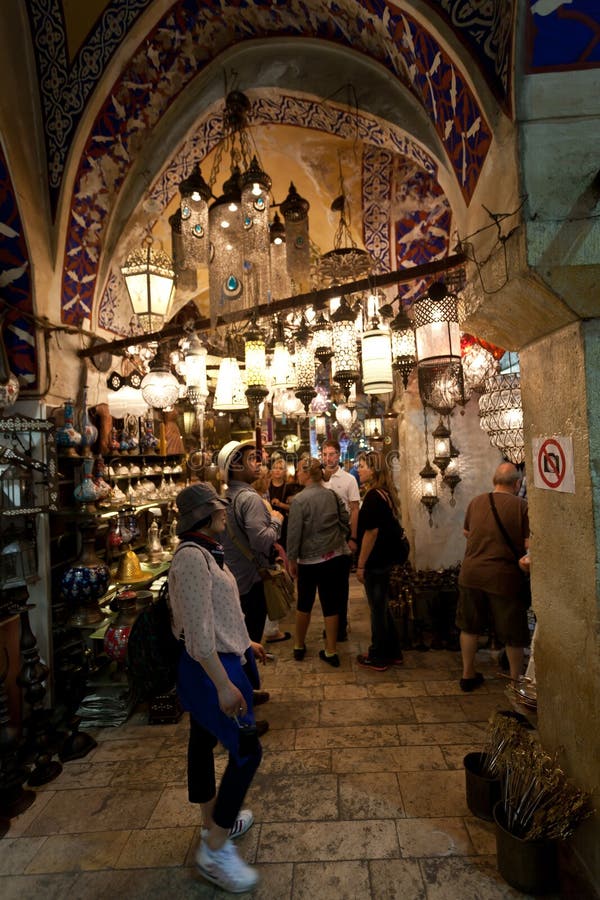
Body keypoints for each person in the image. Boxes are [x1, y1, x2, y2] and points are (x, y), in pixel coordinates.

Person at [168, 482, 265, 893]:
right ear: (205, 515)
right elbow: (199, 633)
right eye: (219, 509)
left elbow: (217, 611)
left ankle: (213, 820)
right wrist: (223, 685)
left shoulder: (208, 552)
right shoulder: (192, 558)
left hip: (222, 659)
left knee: (203, 741)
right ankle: (215, 847)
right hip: (209, 669)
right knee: (246, 751)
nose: (226, 512)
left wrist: (245, 641)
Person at [455, 462, 530, 691]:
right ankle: (516, 681)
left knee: (469, 626)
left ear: (494, 481)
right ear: (517, 484)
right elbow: (529, 543)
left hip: (471, 573)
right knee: (513, 632)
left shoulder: (477, 502)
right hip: (503, 577)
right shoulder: (521, 507)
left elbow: (467, 532)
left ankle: (468, 674)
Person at [286, 456, 350, 668]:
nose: (296, 473)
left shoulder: (299, 500)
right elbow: (345, 519)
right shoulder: (331, 495)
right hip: (332, 557)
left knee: (304, 603)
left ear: (305, 474)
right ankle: (331, 650)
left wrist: (291, 559)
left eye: (298, 470)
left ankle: (298, 645)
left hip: (308, 561)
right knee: (330, 604)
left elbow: (294, 533)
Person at [218, 440, 284, 644]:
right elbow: (262, 542)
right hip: (251, 582)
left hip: (232, 579)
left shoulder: (224, 497)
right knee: (250, 644)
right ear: (236, 466)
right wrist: (276, 521)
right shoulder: (249, 499)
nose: (258, 464)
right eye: (251, 459)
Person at [355, 450, 405, 671]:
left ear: (373, 470)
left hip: (377, 561)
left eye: (362, 465)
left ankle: (378, 655)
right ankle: (393, 652)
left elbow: (371, 533)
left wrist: (361, 564)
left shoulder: (374, 496)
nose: (359, 468)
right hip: (386, 558)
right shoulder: (384, 493)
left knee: (377, 609)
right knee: (382, 607)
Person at [321, 439, 360, 640]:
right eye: (325, 454)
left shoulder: (348, 480)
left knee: (341, 584)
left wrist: (353, 537)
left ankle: (341, 626)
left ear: (338, 455)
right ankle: (330, 624)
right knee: (326, 584)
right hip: (322, 538)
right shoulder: (317, 480)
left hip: (342, 534)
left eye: (332, 454)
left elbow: (354, 509)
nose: (328, 458)